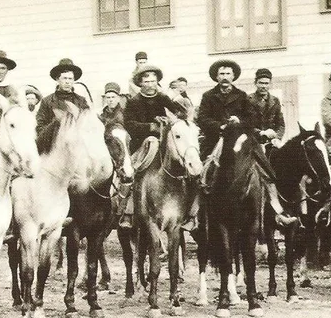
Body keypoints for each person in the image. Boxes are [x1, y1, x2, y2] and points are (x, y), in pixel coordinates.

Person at [196, 60, 290, 224]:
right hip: (215, 139)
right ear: (216, 77)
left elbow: (251, 118)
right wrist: (221, 125)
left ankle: (277, 209)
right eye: (222, 74)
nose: (225, 77)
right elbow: (202, 118)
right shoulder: (208, 96)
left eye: (228, 74)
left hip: (240, 138)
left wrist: (239, 121)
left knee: (265, 167)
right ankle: (194, 214)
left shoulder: (241, 95)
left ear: (233, 76)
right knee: (199, 171)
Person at [123, 64, 187, 229]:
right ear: (141, 83)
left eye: (153, 81)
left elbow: (179, 115)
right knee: (133, 175)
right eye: (146, 81)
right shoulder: (133, 102)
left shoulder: (164, 98)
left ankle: (189, 211)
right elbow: (129, 124)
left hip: (165, 143)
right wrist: (151, 126)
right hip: (142, 145)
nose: (150, 84)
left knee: (184, 165)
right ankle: (128, 212)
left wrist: (169, 120)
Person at [35, 58, 90, 135]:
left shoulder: (81, 101)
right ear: (57, 79)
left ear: (73, 80)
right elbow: (40, 127)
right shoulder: (47, 101)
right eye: (64, 78)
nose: (67, 82)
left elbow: (88, 124)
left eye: (70, 79)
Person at [246, 68, 285, 149]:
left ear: (270, 84)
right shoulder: (247, 100)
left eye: (266, 83)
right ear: (255, 83)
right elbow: (245, 124)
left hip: (271, 142)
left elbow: (281, 124)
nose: (264, 86)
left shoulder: (275, 101)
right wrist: (261, 133)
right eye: (261, 83)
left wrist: (277, 138)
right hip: (253, 142)